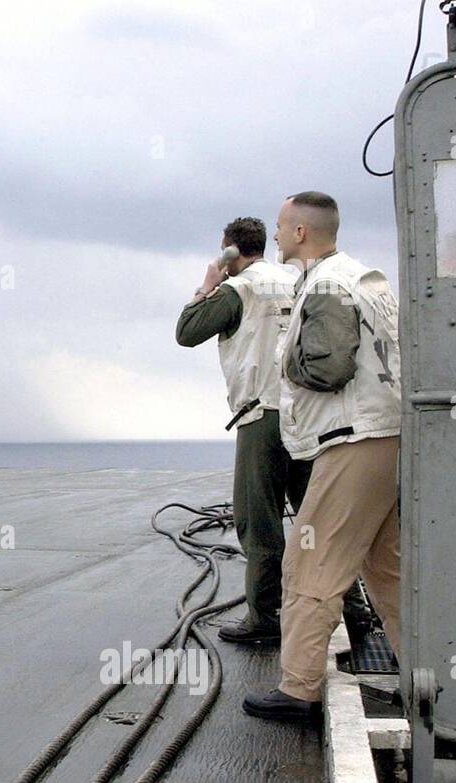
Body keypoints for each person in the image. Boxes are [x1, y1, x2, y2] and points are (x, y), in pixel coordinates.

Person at [243, 191, 403, 721]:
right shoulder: (365, 278)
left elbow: (330, 369)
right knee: (387, 569)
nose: (276, 233)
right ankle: (429, 679)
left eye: (281, 225)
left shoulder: (327, 285)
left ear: (300, 234)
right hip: (388, 438)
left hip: (353, 440)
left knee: (311, 563)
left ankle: (299, 688)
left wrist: (288, 373)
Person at [176, 217, 308, 644]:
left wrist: (207, 285)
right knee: (315, 516)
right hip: (308, 414)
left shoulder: (239, 287)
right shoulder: (295, 279)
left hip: (262, 415)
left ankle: (265, 618)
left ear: (231, 251)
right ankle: (350, 610)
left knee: (259, 519)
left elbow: (187, 333)